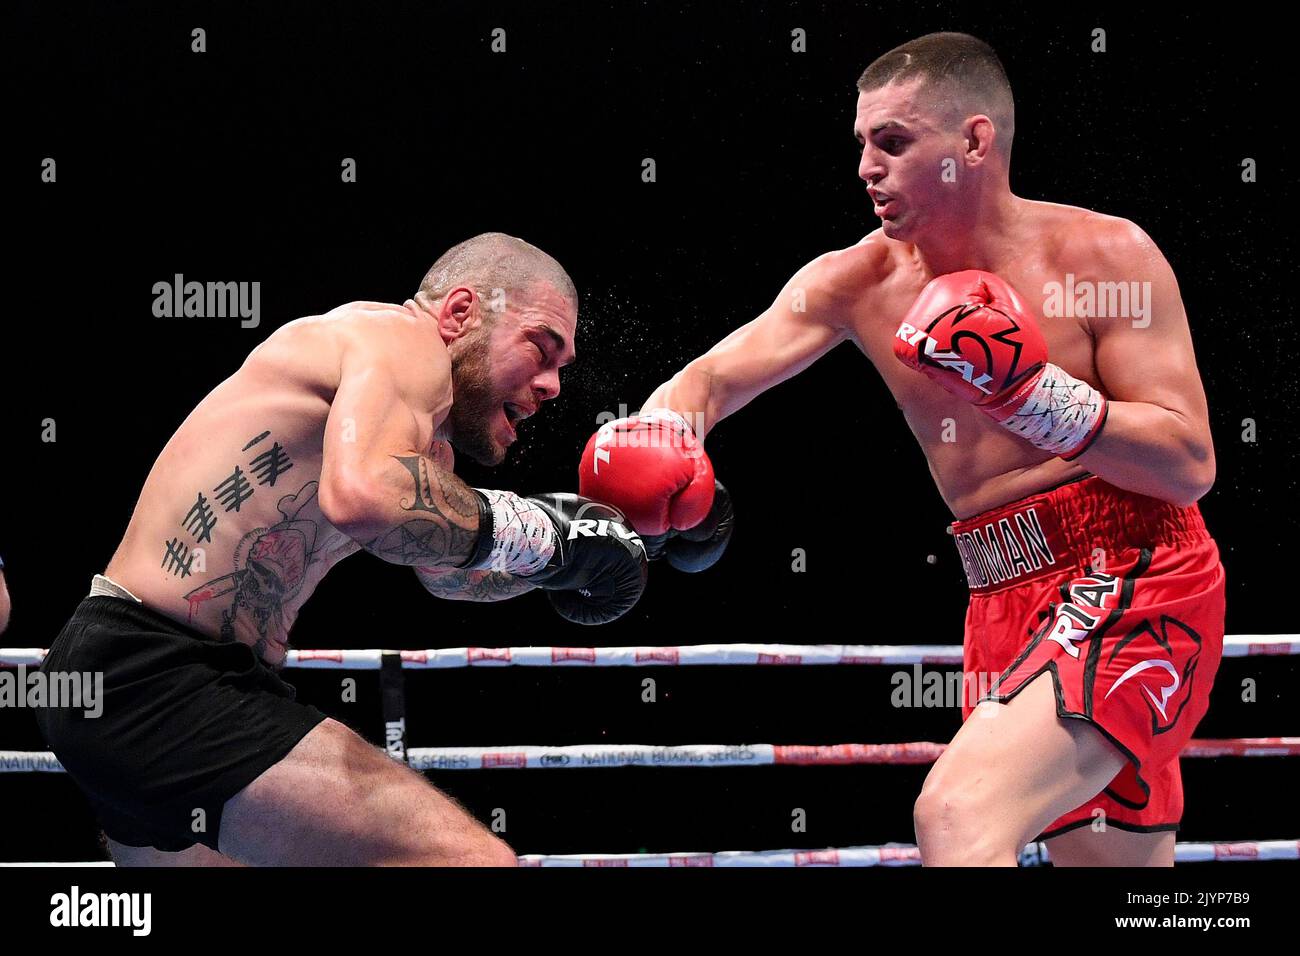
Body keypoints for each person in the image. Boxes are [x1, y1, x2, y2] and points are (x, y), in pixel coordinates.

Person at [578, 33, 1224, 866]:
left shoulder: (1104, 256)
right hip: (999, 592)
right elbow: (710, 379)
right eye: (861, 147)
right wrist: (663, 432)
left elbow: (1189, 462)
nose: (866, 169)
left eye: (893, 142)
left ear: (974, 142)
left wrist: (1030, 397)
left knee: (957, 817)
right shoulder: (858, 281)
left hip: (1136, 574)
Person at [36, 232, 647, 866]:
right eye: (542, 347)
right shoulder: (399, 344)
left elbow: (441, 572)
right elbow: (361, 497)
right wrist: (544, 535)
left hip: (147, 681)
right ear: (461, 313)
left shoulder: (413, 435)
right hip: (158, 673)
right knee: (473, 861)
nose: (552, 385)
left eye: (563, 368)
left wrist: (574, 558)